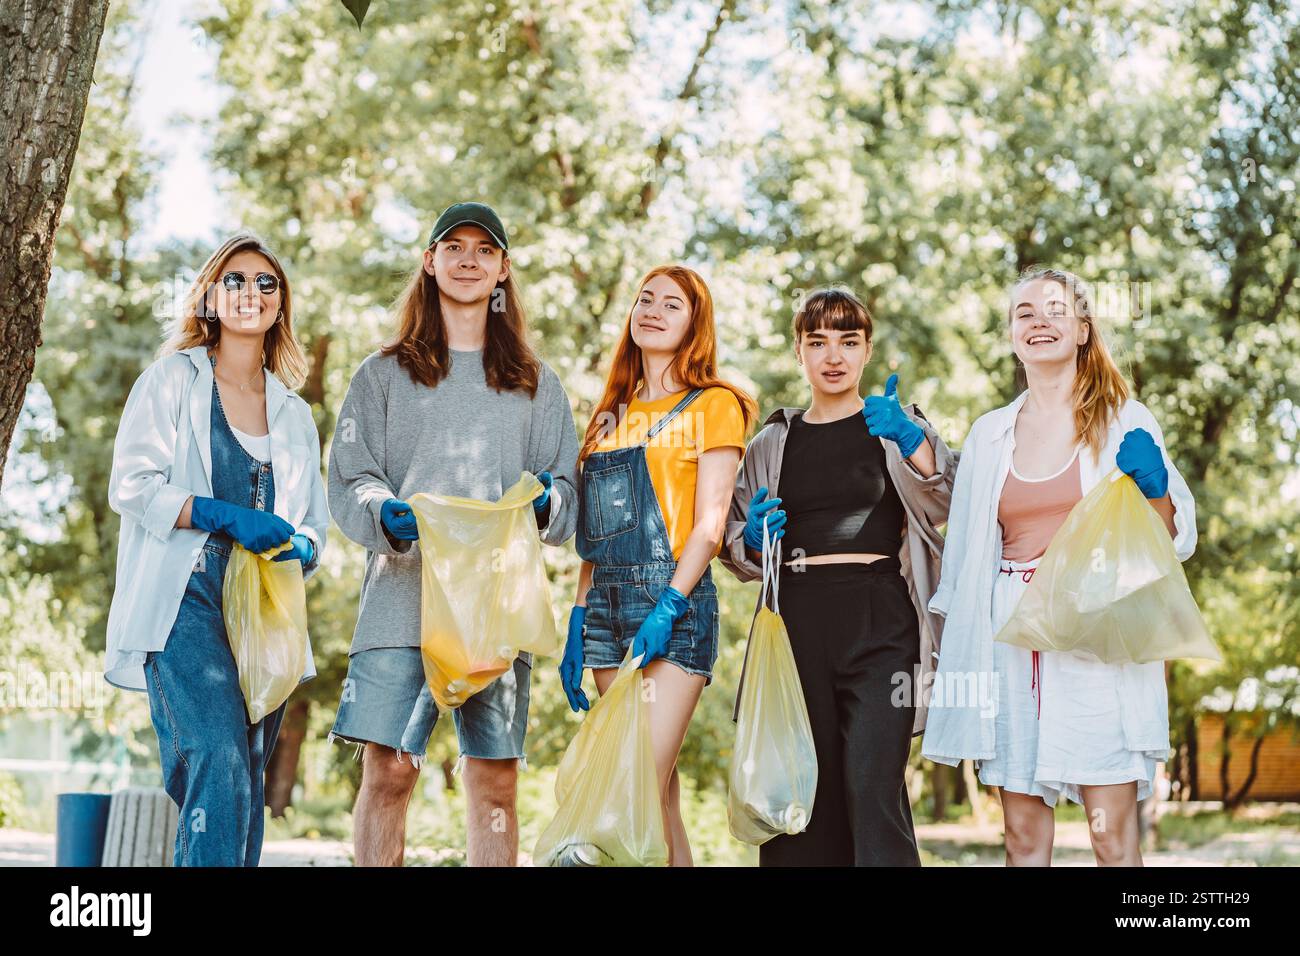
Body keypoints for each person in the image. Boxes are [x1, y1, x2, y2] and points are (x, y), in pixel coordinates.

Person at [327, 201, 579, 867]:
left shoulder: (535, 382)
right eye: (454, 247)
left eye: (484, 250)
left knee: (494, 782)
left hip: (496, 608)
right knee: (389, 773)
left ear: (502, 270)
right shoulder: (381, 375)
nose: (469, 260)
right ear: (429, 261)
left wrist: (551, 499)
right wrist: (386, 511)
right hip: (401, 599)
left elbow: (566, 490)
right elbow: (353, 477)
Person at [922, 268, 1196, 866]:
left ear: (1082, 329)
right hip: (1011, 639)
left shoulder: (1126, 418)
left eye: (1055, 310)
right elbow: (966, 560)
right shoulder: (990, 433)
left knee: (1109, 835)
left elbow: (1174, 538)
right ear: (1012, 335)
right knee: (1022, 836)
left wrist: (1156, 488)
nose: (1039, 321)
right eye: (1025, 313)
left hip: (1096, 637)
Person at [105, 231, 327, 866]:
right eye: (233, 279)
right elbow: (133, 485)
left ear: (280, 305)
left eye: (265, 282)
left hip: (264, 615)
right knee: (215, 753)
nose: (249, 292)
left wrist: (305, 547)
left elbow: (312, 519)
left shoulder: (293, 415)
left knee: (247, 776)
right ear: (207, 297)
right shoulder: (170, 381)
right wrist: (222, 515)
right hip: (185, 602)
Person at [721, 287, 956, 866]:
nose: (833, 355)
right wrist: (751, 540)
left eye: (848, 341)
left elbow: (951, 500)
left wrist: (912, 440)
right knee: (800, 795)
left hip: (881, 620)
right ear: (798, 351)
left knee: (873, 785)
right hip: (795, 623)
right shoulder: (772, 441)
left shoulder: (895, 424)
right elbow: (732, 547)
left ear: (867, 350)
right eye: (818, 341)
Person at [558, 264, 756, 866]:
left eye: (672, 305)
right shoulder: (607, 417)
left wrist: (669, 605)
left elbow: (710, 524)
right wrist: (575, 618)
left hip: (675, 606)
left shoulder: (714, 405)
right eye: (645, 300)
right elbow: (594, 536)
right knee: (660, 796)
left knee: (633, 779)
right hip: (604, 611)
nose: (653, 311)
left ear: (695, 324)